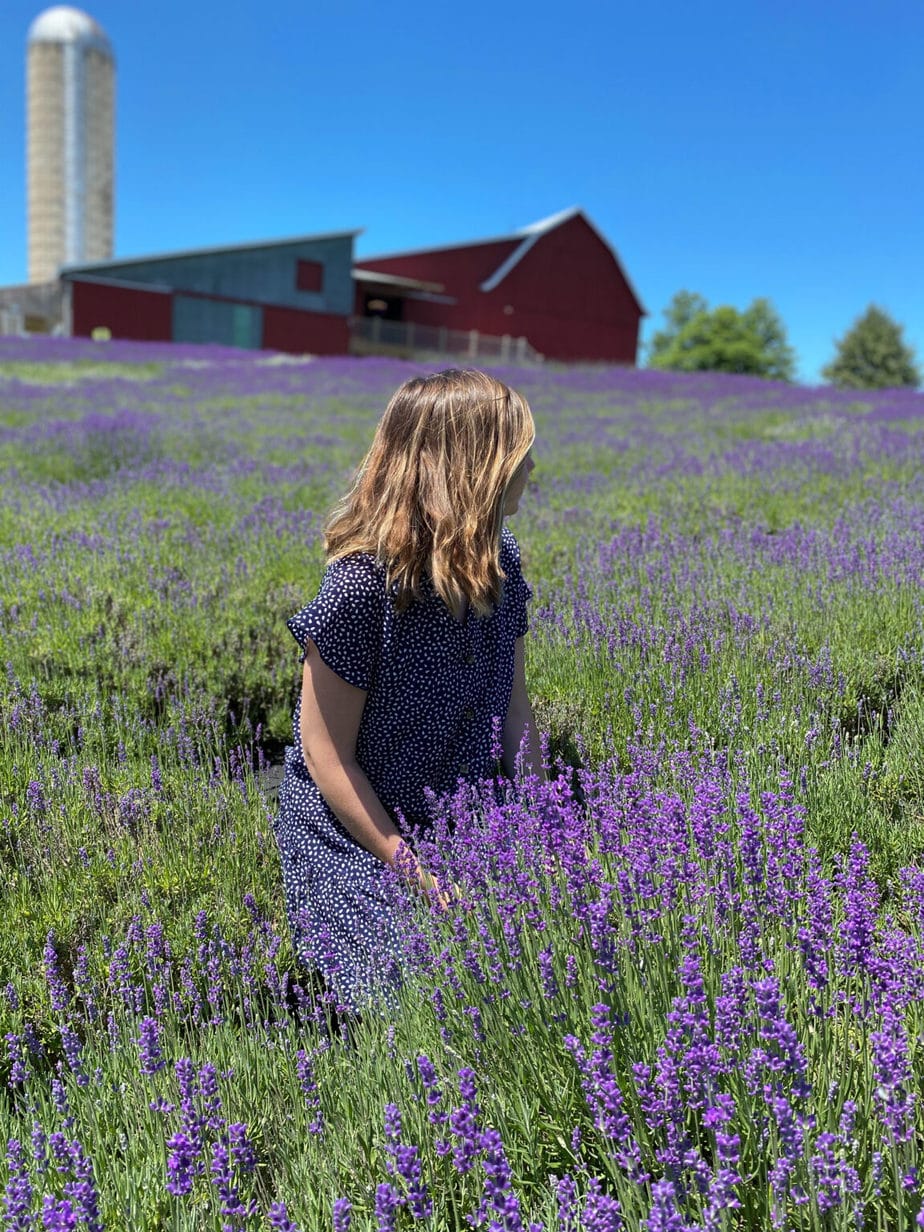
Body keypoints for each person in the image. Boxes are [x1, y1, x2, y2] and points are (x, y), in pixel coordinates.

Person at [274, 368, 543, 1016]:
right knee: (415, 997)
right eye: (519, 453)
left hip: (465, 806)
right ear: (470, 468)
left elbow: (516, 709)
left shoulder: (499, 562)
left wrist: (542, 826)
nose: (533, 468)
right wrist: (418, 876)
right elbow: (326, 757)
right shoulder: (361, 588)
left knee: (545, 957)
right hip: (363, 827)